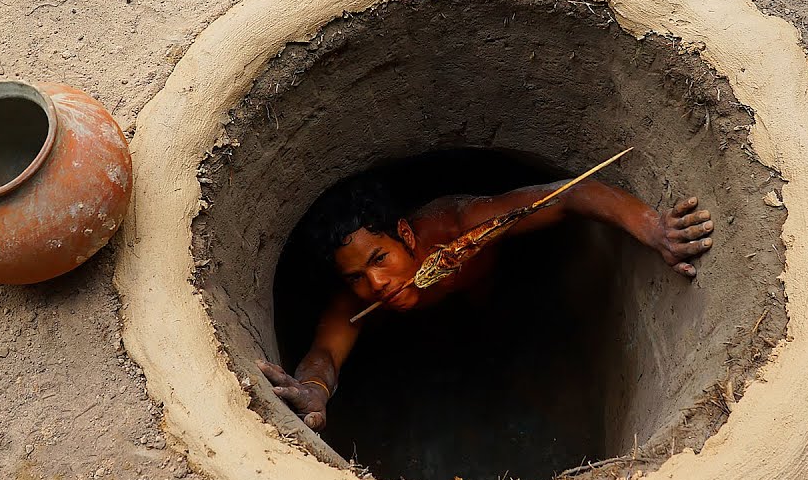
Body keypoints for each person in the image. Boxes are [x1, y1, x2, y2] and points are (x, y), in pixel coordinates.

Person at [258, 174, 714, 431]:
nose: (376, 283)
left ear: (405, 234)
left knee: (496, 329)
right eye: (356, 276)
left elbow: (570, 196)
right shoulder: (351, 303)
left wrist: (653, 229)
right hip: (423, 335)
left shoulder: (458, 226)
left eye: (381, 258)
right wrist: (313, 390)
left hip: (496, 294)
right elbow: (325, 356)